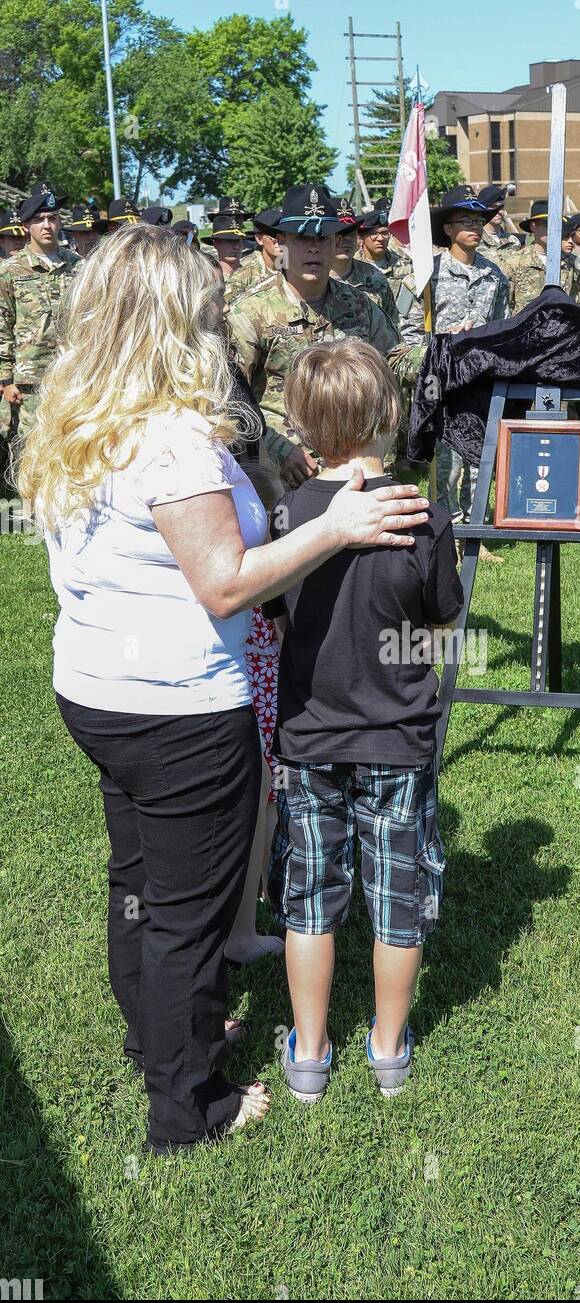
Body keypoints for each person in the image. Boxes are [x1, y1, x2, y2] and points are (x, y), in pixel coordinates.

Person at [14, 222, 430, 1152]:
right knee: (188, 915)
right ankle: (189, 1103)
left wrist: (263, 478)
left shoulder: (89, 413)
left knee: (138, 886)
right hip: (178, 709)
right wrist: (339, 526)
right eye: (205, 303)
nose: (218, 316)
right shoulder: (171, 446)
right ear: (170, 319)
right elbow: (227, 582)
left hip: (97, 687)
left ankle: (159, 1039)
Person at [263, 339, 463, 1102]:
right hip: (398, 735)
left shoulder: (288, 516)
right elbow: (440, 626)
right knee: (398, 895)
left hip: (310, 732)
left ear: (303, 424)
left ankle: (309, 1053)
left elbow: (277, 613)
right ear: (389, 413)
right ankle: (387, 1048)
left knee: (309, 895)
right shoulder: (422, 516)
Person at [228, 184, 398, 505]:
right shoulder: (249, 312)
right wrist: (277, 447)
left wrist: (449, 352)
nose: (313, 249)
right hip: (283, 476)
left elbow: (397, 359)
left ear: (335, 244)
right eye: (302, 239)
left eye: (322, 239)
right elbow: (231, 398)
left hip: (354, 467)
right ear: (282, 244)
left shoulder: (358, 304)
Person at [390, 185, 509, 540]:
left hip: (480, 383)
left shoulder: (495, 276)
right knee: (446, 463)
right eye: (466, 220)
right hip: (439, 382)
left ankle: (476, 531)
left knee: (479, 459)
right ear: (447, 229)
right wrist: (436, 351)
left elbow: (501, 328)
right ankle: (445, 531)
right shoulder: (425, 275)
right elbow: (406, 336)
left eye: (478, 219)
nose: (475, 226)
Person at [0, 181, 81, 444]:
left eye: (52, 218)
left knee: (73, 446)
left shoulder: (79, 267)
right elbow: (3, 325)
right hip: (30, 380)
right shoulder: (11, 270)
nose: (47, 225)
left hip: (74, 373)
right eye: (39, 220)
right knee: (33, 451)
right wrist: (5, 379)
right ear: (26, 226)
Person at [330, 195, 399, 330]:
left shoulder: (376, 278)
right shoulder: (311, 280)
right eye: (340, 232)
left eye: (351, 232)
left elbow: (392, 330)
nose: (346, 239)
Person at [507, 199, 580, 314]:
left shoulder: (572, 262)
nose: (553, 229)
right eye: (547, 224)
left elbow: (579, 301)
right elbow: (506, 306)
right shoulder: (515, 262)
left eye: (556, 224)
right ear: (533, 226)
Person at [224, 206, 283, 307]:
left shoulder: (297, 272)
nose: (280, 241)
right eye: (273, 237)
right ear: (259, 239)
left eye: (284, 236)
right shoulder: (240, 279)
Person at [356, 198, 413, 297]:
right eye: (374, 234)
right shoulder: (352, 266)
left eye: (385, 233)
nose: (380, 238)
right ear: (362, 237)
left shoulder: (404, 265)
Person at [203, 197, 249, 280]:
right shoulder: (207, 280)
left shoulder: (254, 275)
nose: (236, 247)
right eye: (229, 241)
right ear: (216, 243)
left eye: (238, 240)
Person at [476, 184, 522, 264]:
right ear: (483, 209)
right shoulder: (475, 241)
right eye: (494, 207)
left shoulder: (513, 242)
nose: (500, 212)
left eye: (502, 207)